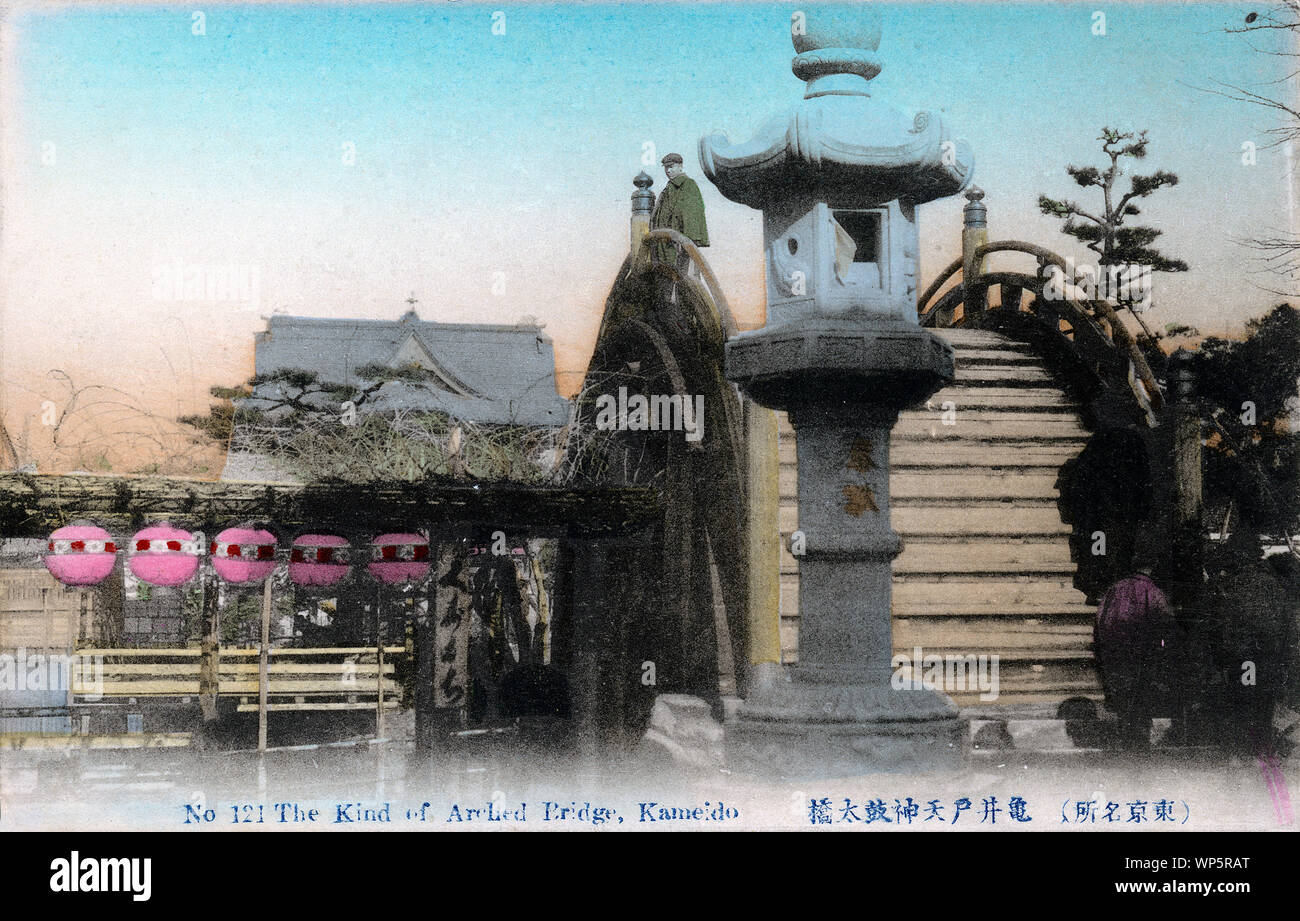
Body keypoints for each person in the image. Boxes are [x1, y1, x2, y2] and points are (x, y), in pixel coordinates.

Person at [1093, 540, 1186, 751]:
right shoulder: (1154, 593)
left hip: (1115, 654)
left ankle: (1125, 739)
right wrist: (1163, 649)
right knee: (1141, 699)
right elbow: (1167, 627)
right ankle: (1139, 742)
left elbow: (1100, 621)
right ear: (1152, 567)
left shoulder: (1114, 590)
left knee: (1122, 699)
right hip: (1143, 658)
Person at [650, 153, 709, 271]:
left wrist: (687, 244)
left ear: (680, 166)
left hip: (677, 246)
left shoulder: (688, 185)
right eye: (666, 167)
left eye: (671, 166)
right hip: (662, 244)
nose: (668, 170)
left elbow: (692, 217)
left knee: (679, 279)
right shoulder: (667, 189)